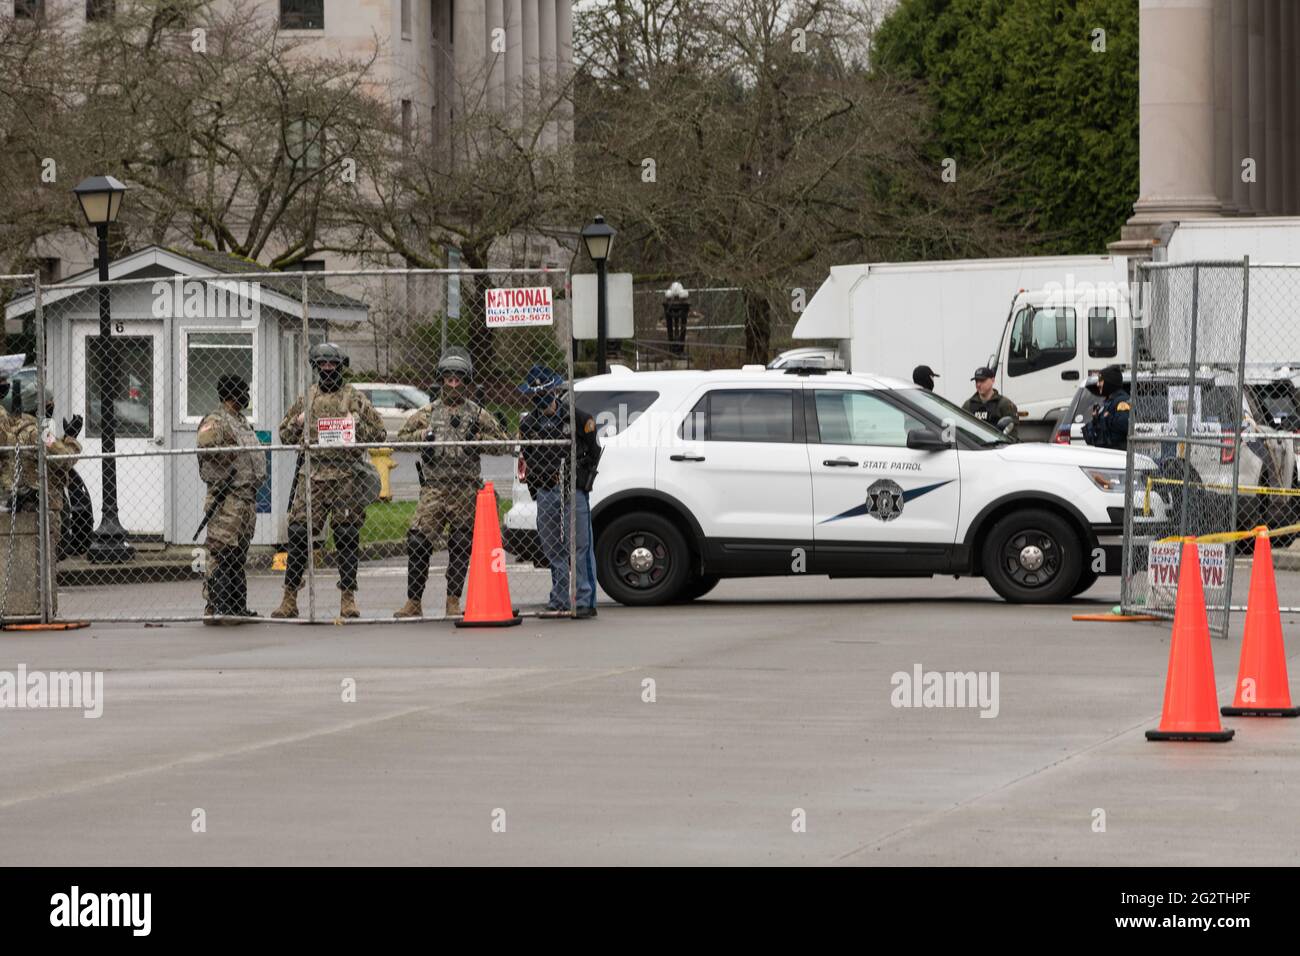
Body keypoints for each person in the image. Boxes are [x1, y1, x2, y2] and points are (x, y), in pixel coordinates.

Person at [393, 347, 509, 619]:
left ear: (465, 381)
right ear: (441, 379)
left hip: (464, 487)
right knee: (419, 540)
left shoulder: (477, 414)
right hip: (435, 486)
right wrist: (425, 437)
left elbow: (504, 442)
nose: (453, 384)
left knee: (460, 542)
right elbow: (399, 439)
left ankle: (453, 600)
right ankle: (413, 601)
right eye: (449, 379)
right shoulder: (428, 412)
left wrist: (477, 441)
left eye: (458, 379)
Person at [273, 343, 386, 620]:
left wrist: (355, 424)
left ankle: (348, 597)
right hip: (312, 476)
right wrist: (299, 422)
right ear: (316, 367)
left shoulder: (354, 398)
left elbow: (380, 433)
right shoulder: (307, 398)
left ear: (340, 367)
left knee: (347, 536)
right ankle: (290, 598)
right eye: (322, 365)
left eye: (332, 364)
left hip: (346, 476)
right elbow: (284, 435)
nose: (327, 369)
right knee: (299, 533)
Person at [517, 366, 601, 619]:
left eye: (546, 392)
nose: (542, 398)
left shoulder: (575, 417)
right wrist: (535, 486)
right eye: (537, 394)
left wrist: (579, 478)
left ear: (554, 391)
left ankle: (585, 600)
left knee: (579, 545)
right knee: (553, 548)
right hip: (546, 488)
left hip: (571, 488)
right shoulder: (529, 423)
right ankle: (560, 598)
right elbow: (527, 457)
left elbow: (593, 451)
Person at [196, 375, 266, 624]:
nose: (247, 396)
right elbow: (205, 445)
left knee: (238, 555)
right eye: (244, 392)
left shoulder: (241, 422)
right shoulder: (216, 420)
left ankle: (236, 607)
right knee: (222, 553)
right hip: (227, 499)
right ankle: (217, 607)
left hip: (246, 498)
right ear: (233, 394)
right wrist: (226, 451)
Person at [10, 385, 81, 615]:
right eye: (49, 404)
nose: (51, 407)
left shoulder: (16, 428)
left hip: (24, 500)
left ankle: (32, 607)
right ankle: (46, 610)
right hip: (46, 499)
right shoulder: (38, 432)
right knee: (48, 557)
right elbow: (64, 458)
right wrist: (71, 439)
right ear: (42, 406)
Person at [1082, 364, 1130, 451]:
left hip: (1118, 453)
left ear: (1109, 382)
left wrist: (1107, 418)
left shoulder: (1121, 401)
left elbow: (1124, 424)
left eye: (1100, 381)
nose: (1097, 384)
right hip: (1107, 451)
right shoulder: (1109, 402)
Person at [963, 366, 1019, 437]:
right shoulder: (968, 404)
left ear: (992, 380)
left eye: (982, 381)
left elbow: (1012, 433)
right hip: (974, 445)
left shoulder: (1004, 404)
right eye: (977, 381)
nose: (978, 384)